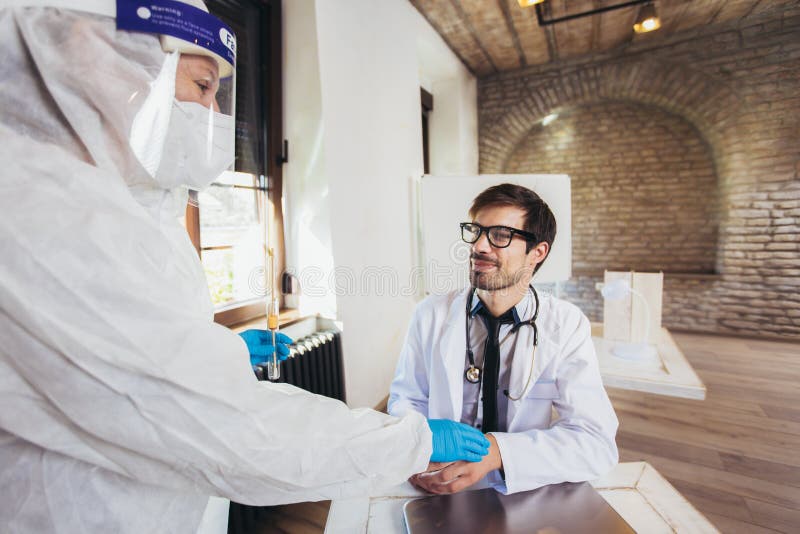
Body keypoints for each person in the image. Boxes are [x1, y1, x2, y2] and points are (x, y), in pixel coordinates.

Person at [0, 2, 488, 532]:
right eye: (203, 86)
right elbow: (219, 422)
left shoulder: (121, 202)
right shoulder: (43, 212)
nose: (211, 115)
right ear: (89, 48)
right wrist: (410, 441)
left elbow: (135, 362)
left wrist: (221, 348)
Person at [389, 183, 619, 495]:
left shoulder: (566, 325)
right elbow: (407, 400)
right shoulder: (430, 314)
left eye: (500, 235)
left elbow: (595, 442)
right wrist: (417, 447)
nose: (479, 246)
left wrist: (498, 451)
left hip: (523, 483)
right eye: (476, 231)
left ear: (537, 253)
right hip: (437, 483)